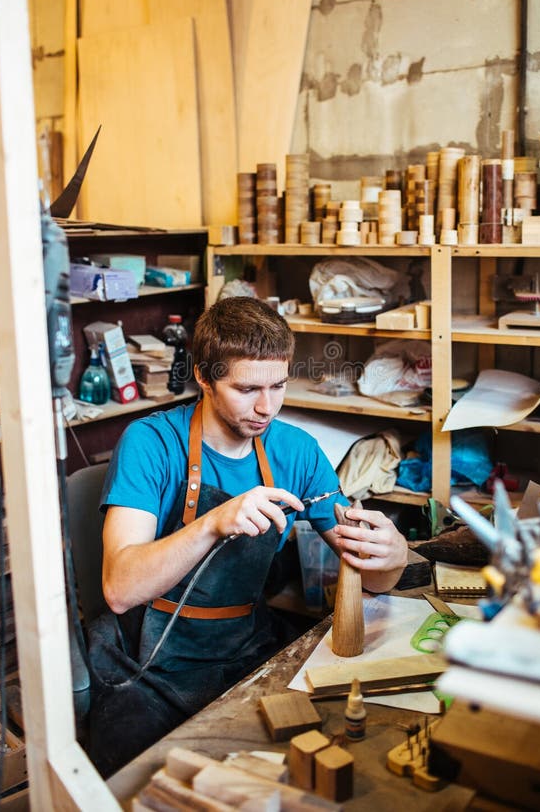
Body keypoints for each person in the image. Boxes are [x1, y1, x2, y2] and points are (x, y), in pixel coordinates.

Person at [87, 296, 407, 775]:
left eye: (278, 385)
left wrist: (392, 556)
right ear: (203, 377)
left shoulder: (297, 452)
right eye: (246, 388)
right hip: (144, 660)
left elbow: (374, 577)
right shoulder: (151, 443)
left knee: (302, 759)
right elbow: (120, 589)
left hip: (244, 645)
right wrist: (214, 522)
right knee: (144, 780)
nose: (266, 407)